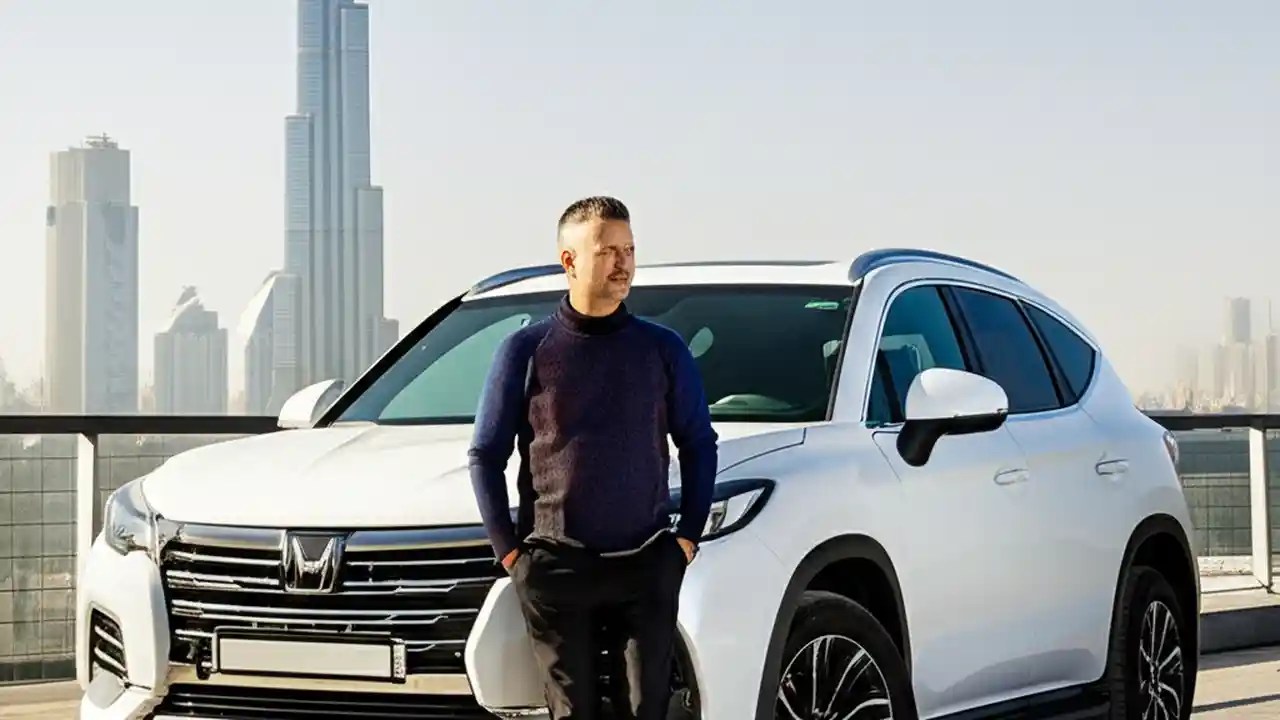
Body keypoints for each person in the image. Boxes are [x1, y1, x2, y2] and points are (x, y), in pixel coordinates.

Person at [467, 196, 719, 719]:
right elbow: (485, 455)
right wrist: (512, 556)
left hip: (646, 561)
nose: (624, 262)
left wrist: (686, 540)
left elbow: (698, 443)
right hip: (555, 566)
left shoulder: (662, 350)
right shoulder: (526, 351)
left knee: (646, 709)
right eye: (608, 251)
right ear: (569, 261)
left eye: (629, 249)